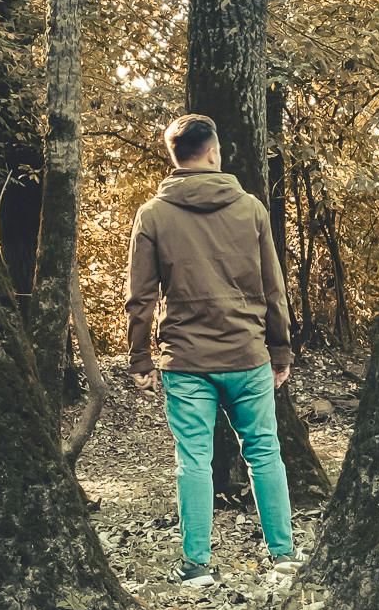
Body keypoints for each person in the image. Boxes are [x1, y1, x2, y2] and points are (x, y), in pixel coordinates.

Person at [125, 111, 297, 584]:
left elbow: (140, 296)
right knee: (264, 451)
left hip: (186, 361)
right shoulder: (251, 209)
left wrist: (140, 357)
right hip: (247, 353)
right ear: (214, 152)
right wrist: (280, 350)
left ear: (174, 156)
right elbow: (273, 288)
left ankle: (197, 564)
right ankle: (283, 556)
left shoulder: (154, 214)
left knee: (193, 460)